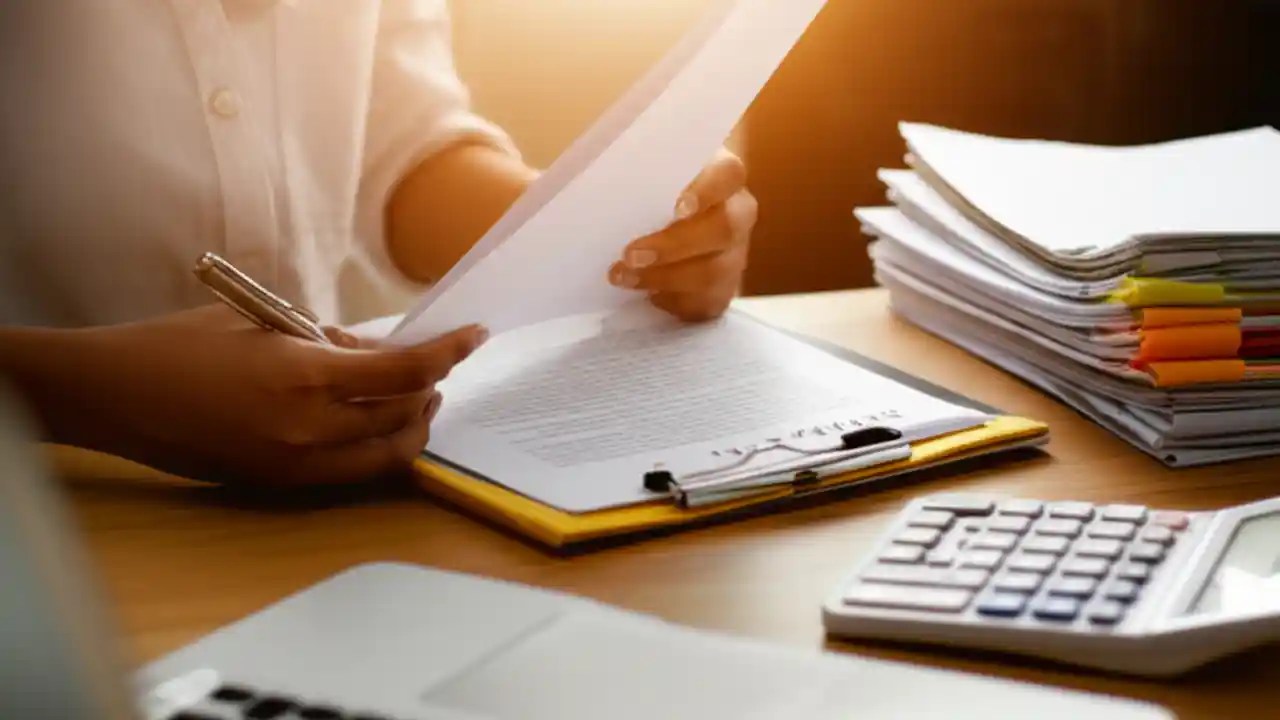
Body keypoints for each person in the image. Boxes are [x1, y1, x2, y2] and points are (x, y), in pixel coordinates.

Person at [0, 1, 757, 486]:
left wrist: (605, 228)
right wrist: (88, 394)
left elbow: (397, 143)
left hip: (320, 509)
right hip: (45, 515)